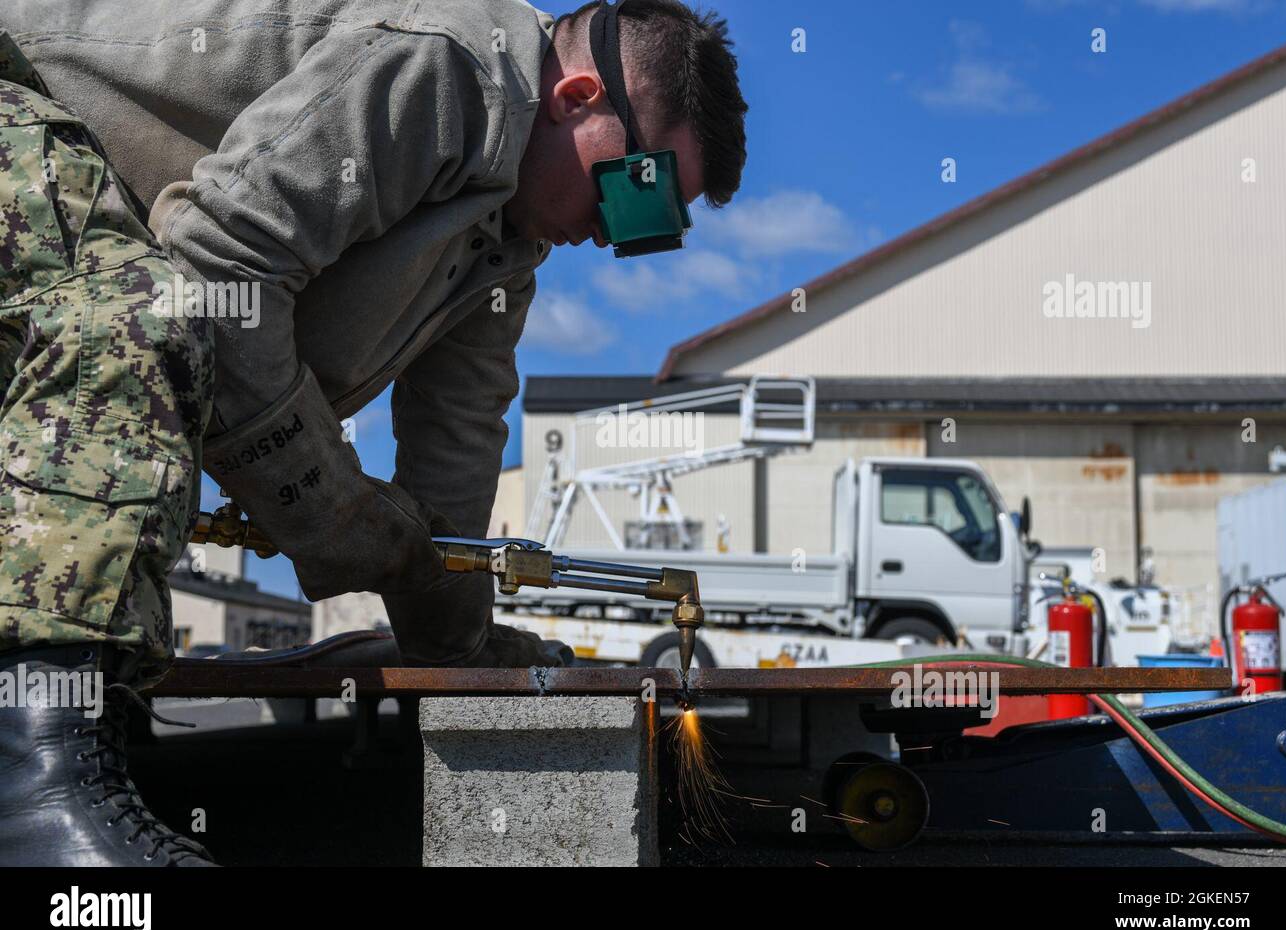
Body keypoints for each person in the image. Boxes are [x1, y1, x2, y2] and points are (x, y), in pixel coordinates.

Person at [0, 0, 746, 865]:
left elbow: (457, 452)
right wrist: (329, 508)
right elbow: (216, 267)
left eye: (654, 229)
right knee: (138, 319)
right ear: (576, 95)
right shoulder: (448, 69)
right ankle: (33, 798)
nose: (619, 235)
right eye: (633, 192)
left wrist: (460, 644)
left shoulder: (501, 251)